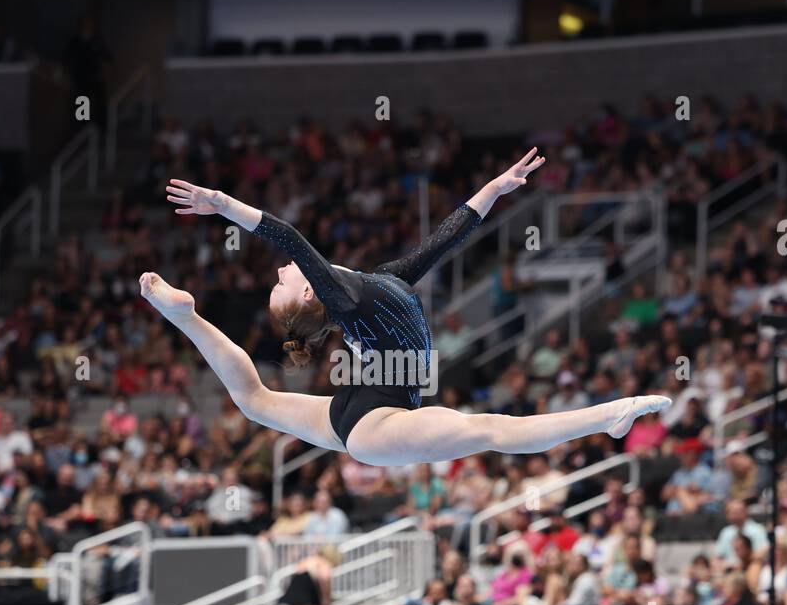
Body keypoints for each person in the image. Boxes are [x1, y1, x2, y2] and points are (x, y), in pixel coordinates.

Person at [142, 153, 670, 469]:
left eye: (278, 276)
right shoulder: (343, 300)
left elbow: (442, 242)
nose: (280, 272)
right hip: (376, 422)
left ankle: (186, 318)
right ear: (309, 295)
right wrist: (222, 202)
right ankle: (608, 415)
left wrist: (494, 189)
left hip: (357, 414)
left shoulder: (377, 284)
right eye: (281, 283)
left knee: (255, 401)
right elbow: (289, 239)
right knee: (487, 429)